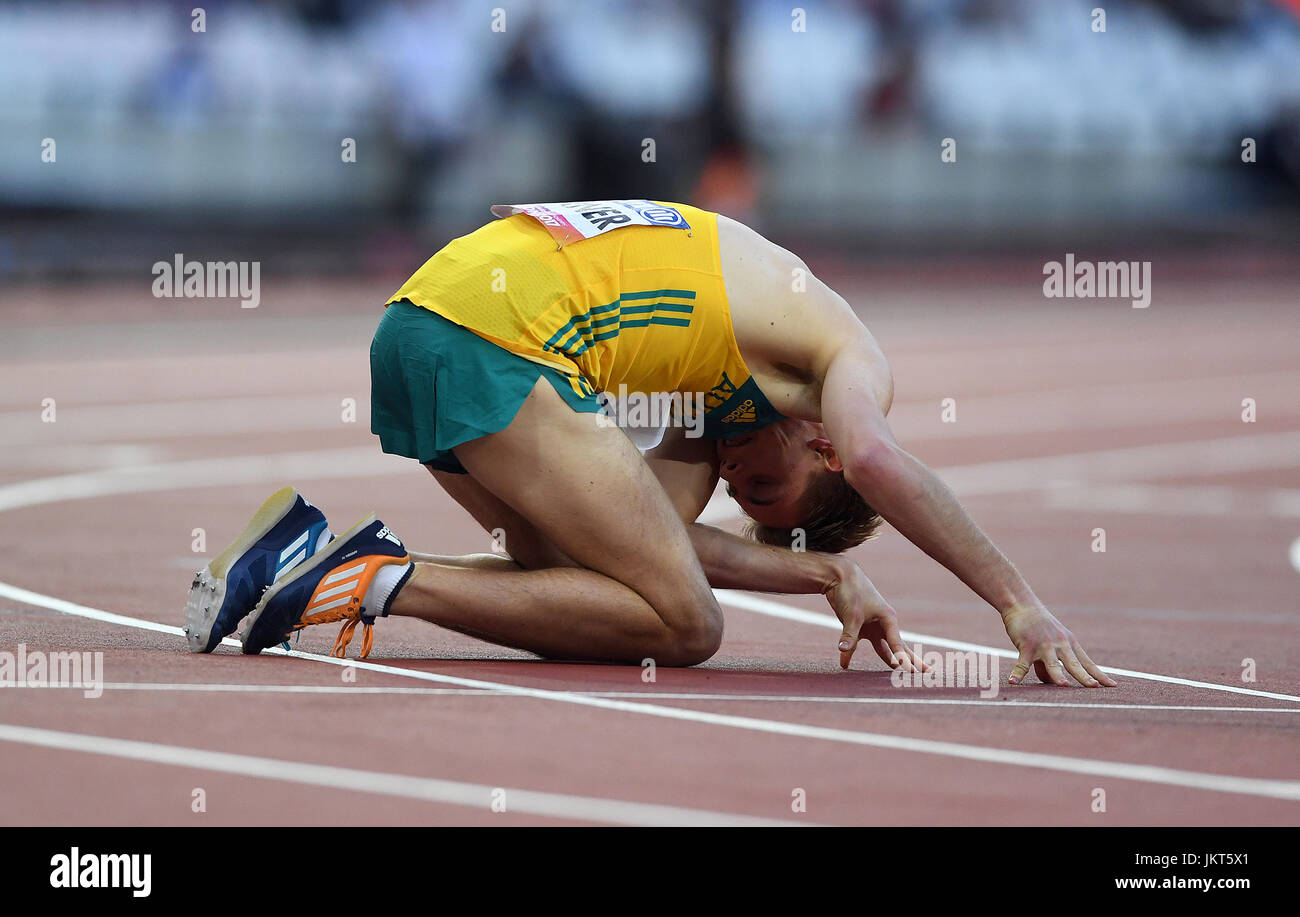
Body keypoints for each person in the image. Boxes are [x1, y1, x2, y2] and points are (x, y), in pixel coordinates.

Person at [184, 200, 1114, 688]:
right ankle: (360, 578)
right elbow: (879, 462)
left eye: (744, 496)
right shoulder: (848, 358)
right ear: (822, 445)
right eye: (766, 481)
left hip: (426, 319)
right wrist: (1017, 602)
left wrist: (819, 572)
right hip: (494, 326)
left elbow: (634, 551)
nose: (738, 474)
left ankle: (307, 559)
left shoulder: (718, 394)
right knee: (690, 626)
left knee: (572, 561)